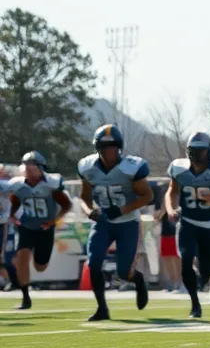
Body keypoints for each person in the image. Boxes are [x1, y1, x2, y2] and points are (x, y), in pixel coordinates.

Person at [77, 124, 154, 321]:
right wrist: (89, 211)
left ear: (119, 147)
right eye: (104, 147)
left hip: (127, 222)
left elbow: (147, 196)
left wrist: (122, 210)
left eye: (112, 147)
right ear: (98, 148)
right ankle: (102, 308)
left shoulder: (131, 167)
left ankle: (138, 279)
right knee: (94, 263)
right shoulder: (88, 167)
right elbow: (84, 197)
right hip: (103, 222)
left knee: (123, 272)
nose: (108, 151)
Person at [166, 132, 210, 318]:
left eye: (201, 150)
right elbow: (172, 192)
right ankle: (195, 305)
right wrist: (171, 209)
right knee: (186, 260)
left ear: (209, 151)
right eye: (193, 150)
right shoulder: (180, 168)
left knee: (206, 269)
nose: (197, 154)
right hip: (187, 222)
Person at [7, 151, 71, 311]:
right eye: (26, 167)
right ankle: (25, 297)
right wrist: (12, 216)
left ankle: (38, 261)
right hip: (27, 226)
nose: (28, 170)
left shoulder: (51, 185)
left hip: (45, 228)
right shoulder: (19, 185)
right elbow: (14, 203)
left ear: (41, 168)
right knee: (22, 256)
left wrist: (53, 221)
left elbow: (66, 205)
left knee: (40, 266)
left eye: (32, 167)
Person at [152, 180, 181, 292]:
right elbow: (156, 217)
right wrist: (163, 209)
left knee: (176, 257)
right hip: (165, 231)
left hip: (176, 230)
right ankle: (172, 283)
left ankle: (179, 283)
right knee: (167, 257)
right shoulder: (160, 201)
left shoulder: (177, 199)